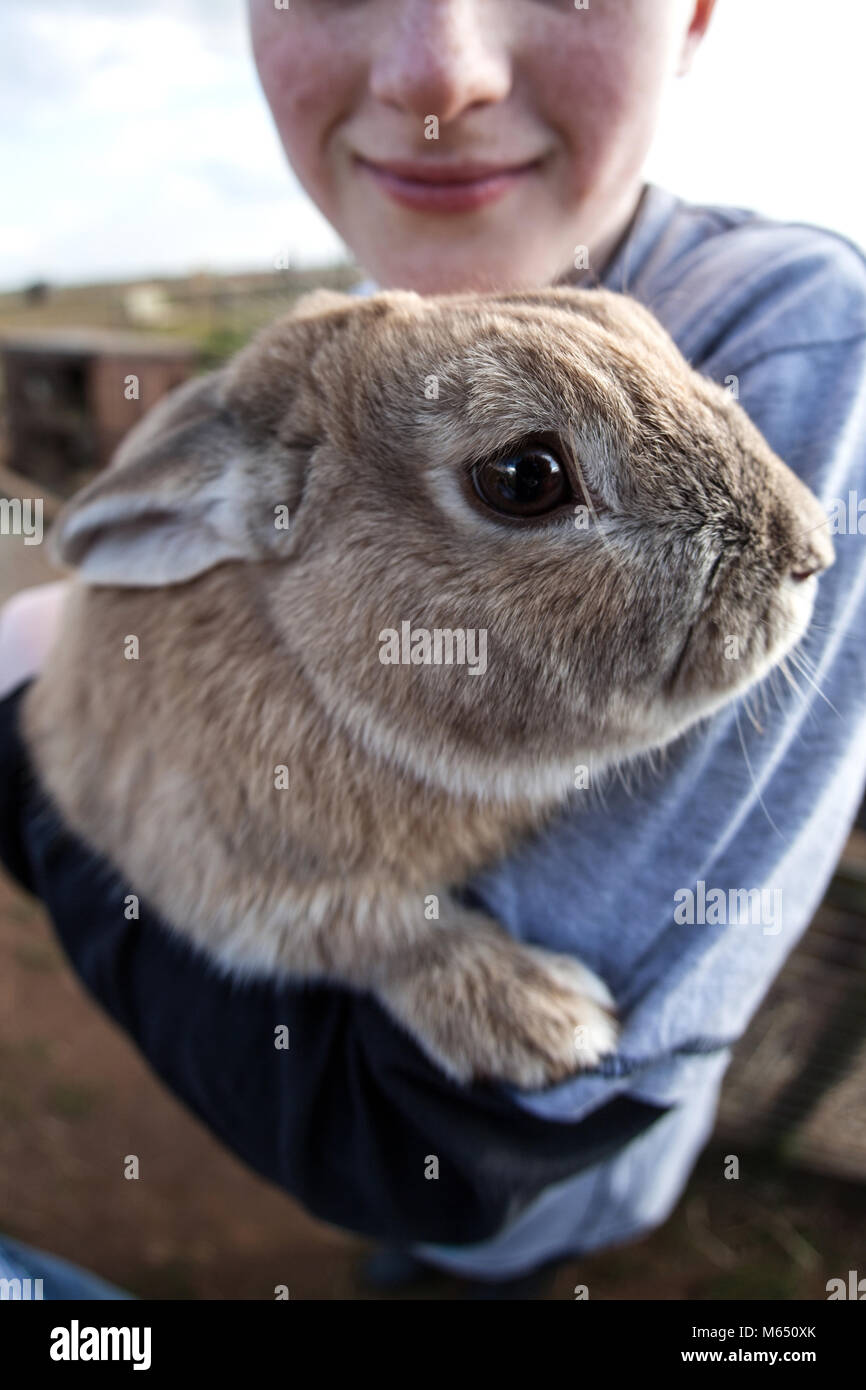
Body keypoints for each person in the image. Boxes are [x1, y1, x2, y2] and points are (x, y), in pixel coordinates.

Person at [2, 0, 866, 1295]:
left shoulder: (811, 342)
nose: (440, 73)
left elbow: (414, 1133)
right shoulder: (380, 329)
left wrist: (24, 692)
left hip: (553, 1192)